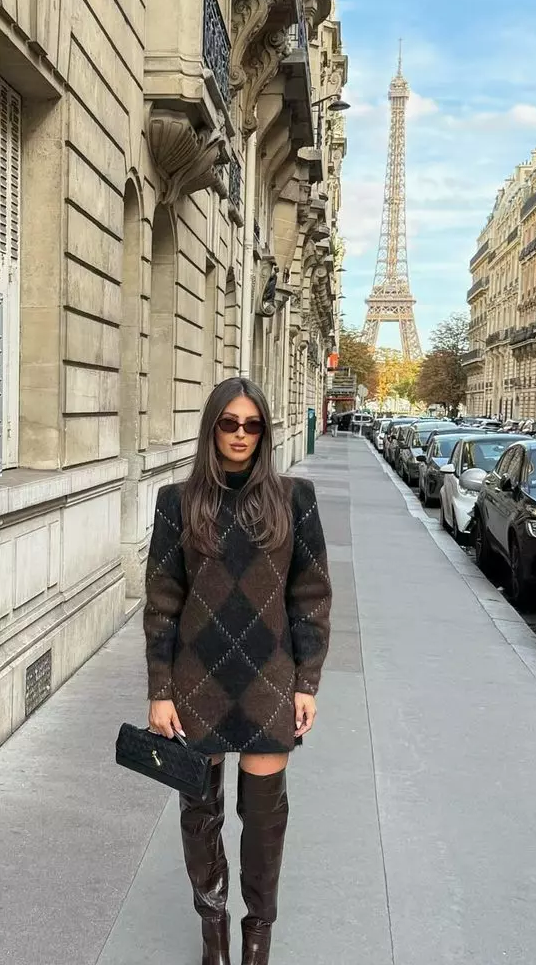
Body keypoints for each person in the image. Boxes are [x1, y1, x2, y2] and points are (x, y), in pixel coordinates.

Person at [144, 377, 332, 965]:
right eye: (230, 424)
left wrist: (307, 683)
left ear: (266, 432)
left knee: (264, 822)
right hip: (196, 679)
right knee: (199, 814)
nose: (241, 435)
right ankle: (213, 933)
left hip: (269, 677)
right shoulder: (178, 502)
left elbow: (311, 597)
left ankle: (258, 938)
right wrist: (159, 690)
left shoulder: (293, 498)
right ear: (212, 428)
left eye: (252, 425)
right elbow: (163, 601)